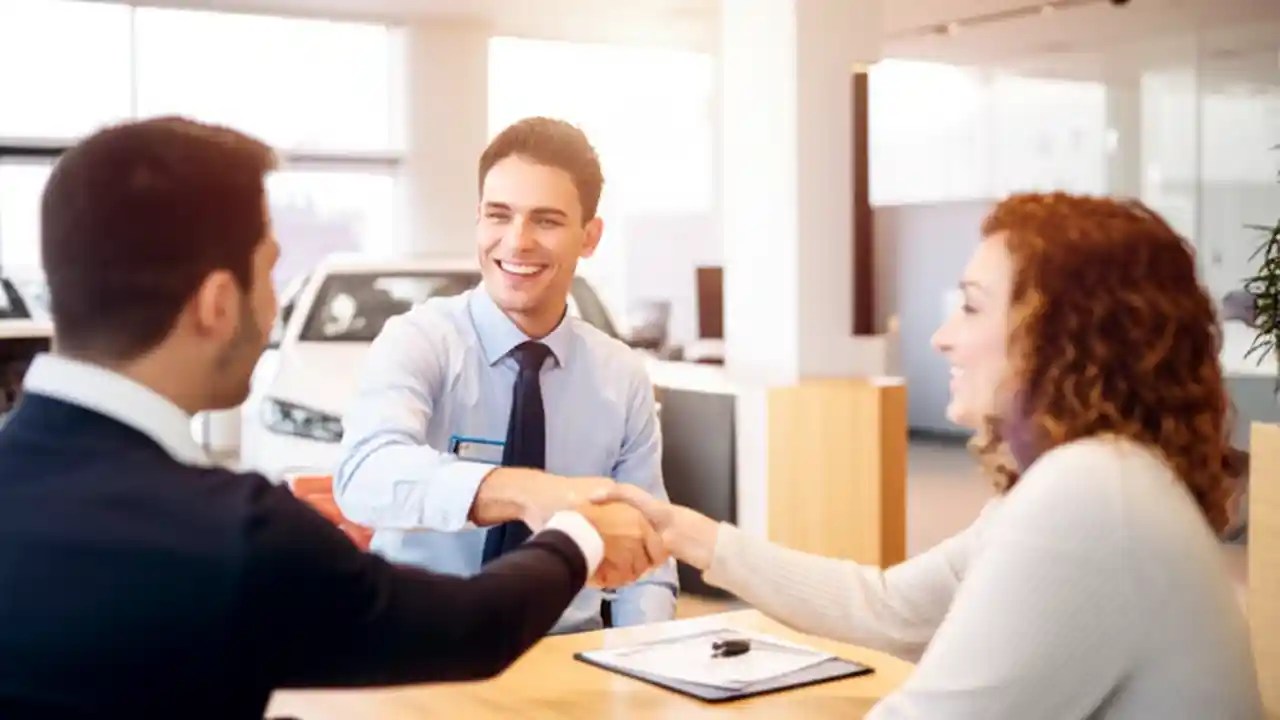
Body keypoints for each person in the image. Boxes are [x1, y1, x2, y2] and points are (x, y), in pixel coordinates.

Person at [0, 117, 663, 719]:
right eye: (272, 273)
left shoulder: (619, 373)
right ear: (218, 305)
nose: (274, 306)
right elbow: (472, 628)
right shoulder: (237, 538)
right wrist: (571, 522)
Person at [595, 193, 1264, 718]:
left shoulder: (1089, 495)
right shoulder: (1099, 476)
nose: (942, 337)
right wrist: (684, 532)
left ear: (1063, 336)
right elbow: (887, 609)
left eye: (971, 309)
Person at [334, 117, 679, 632]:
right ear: (478, 221)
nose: (516, 242)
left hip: (561, 654)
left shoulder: (621, 375)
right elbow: (364, 475)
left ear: (589, 237)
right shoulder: (419, 340)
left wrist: (644, 667)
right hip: (422, 644)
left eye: (546, 221)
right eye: (499, 215)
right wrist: (526, 492)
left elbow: (646, 557)